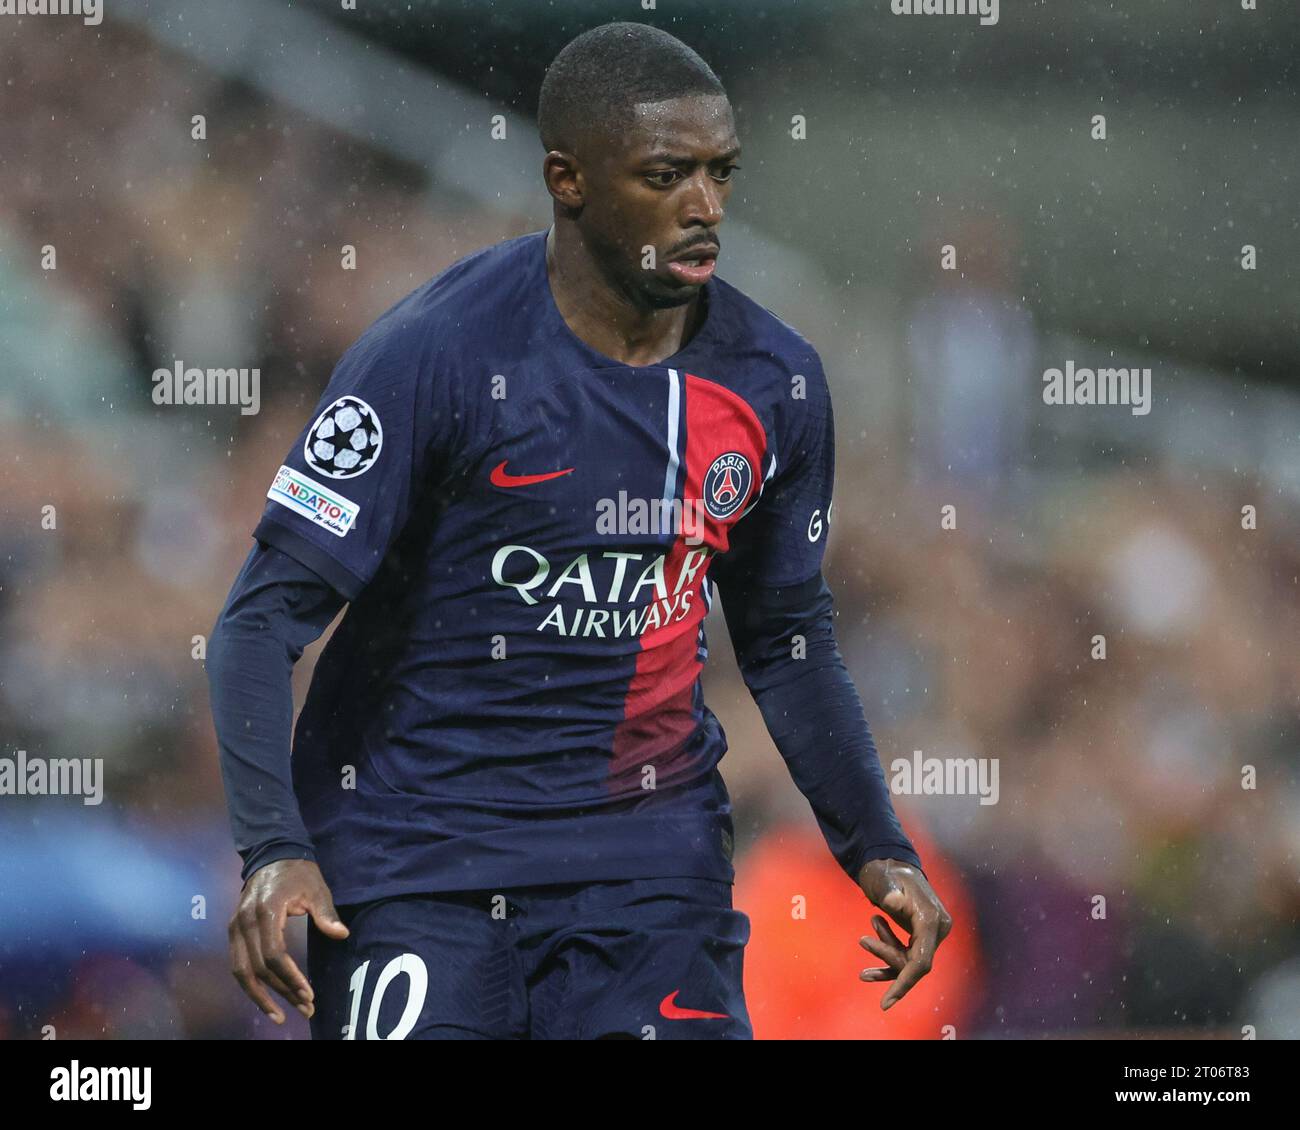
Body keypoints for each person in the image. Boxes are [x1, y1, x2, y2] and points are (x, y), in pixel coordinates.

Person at [207, 20, 950, 1041]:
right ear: (569, 179)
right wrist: (273, 848)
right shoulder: (433, 358)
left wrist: (876, 844)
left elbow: (785, 637)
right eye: (666, 175)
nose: (705, 207)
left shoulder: (770, 383)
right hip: (421, 864)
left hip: (647, 875)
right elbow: (258, 623)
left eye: (720, 174)